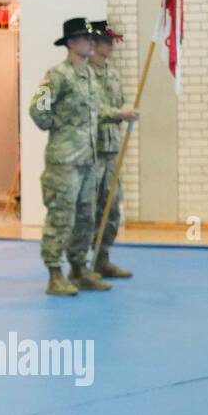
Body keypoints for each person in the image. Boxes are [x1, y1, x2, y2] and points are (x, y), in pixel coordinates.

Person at [29, 17, 109, 296]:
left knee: (85, 216)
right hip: (64, 161)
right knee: (61, 216)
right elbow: (37, 109)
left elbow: (95, 113)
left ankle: (79, 268)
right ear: (72, 43)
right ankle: (54, 273)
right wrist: (58, 128)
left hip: (88, 159)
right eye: (87, 39)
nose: (92, 43)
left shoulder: (89, 75)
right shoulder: (57, 75)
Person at [86, 20, 137, 279]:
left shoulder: (113, 75)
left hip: (111, 149)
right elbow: (92, 111)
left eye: (112, 41)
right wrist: (120, 114)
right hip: (89, 150)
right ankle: (82, 262)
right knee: (88, 208)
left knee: (112, 206)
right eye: (107, 41)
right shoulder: (83, 74)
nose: (111, 45)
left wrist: (121, 115)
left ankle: (102, 257)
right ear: (93, 43)